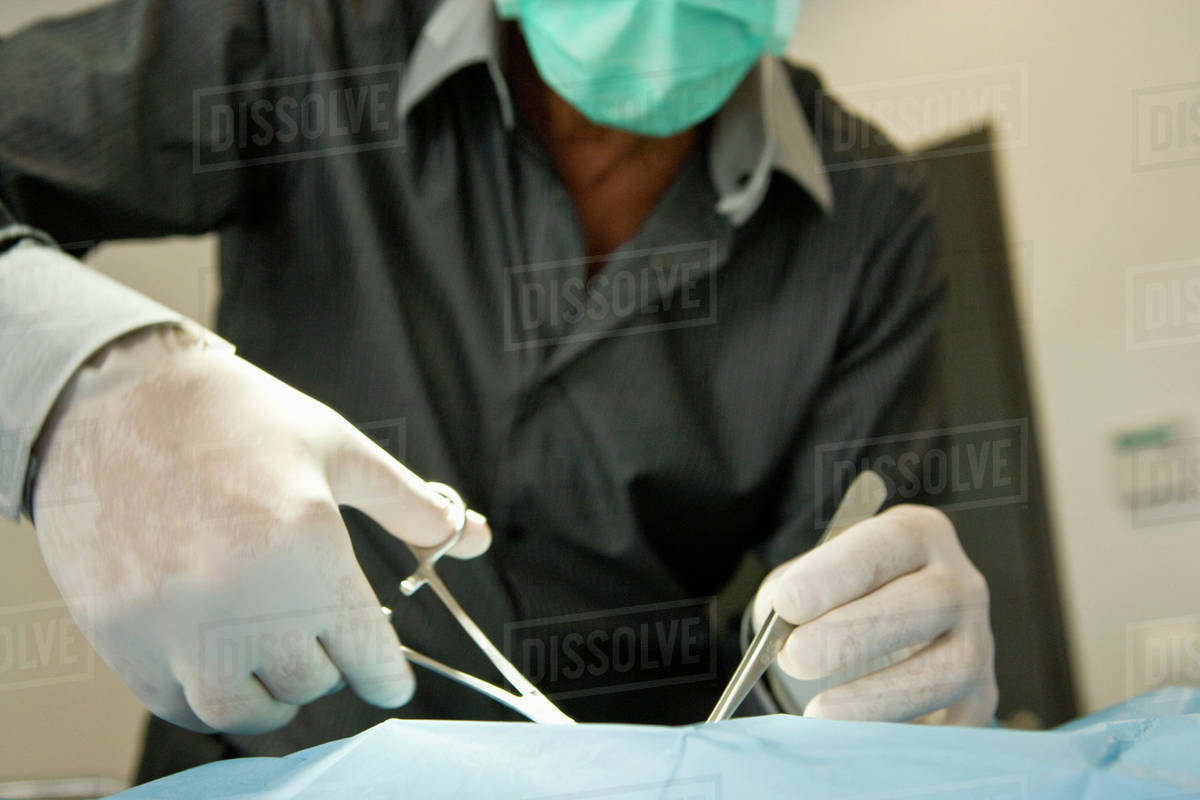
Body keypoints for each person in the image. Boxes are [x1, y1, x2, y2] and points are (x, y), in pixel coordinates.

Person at [0, 0, 998, 782]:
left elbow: (842, 616)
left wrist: (898, 673)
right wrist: (62, 384)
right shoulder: (304, 31)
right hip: (266, 767)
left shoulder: (869, 216)